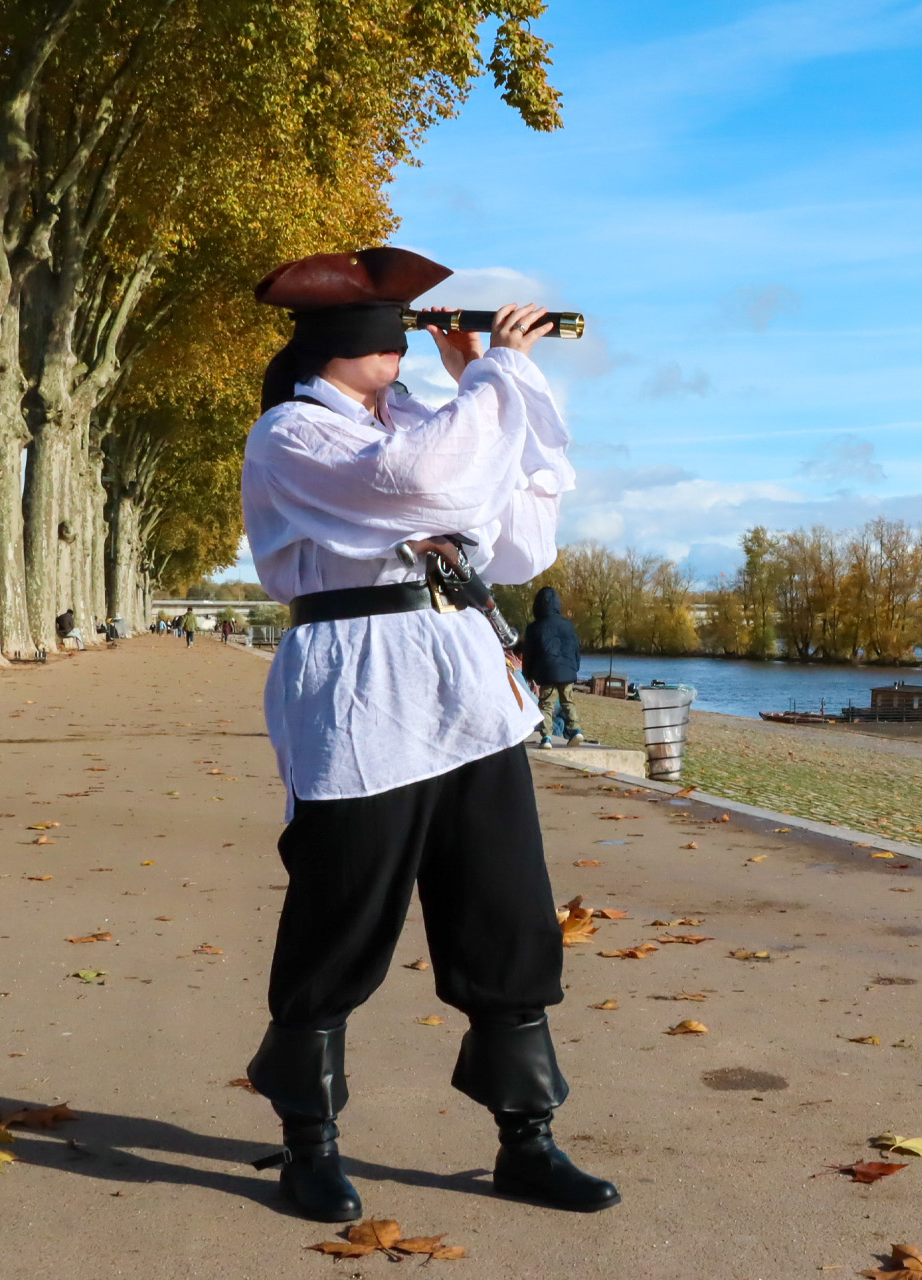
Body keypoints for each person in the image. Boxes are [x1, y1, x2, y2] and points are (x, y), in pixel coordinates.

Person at [239, 247, 611, 1223]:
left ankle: (528, 1138)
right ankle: (308, 1143)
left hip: (466, 686)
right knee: (341, 918)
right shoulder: (291, 433)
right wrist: (494, 375)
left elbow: (522, 541)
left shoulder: (414, 420)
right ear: (340, 345)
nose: (402, 354)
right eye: (389, 340)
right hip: (360, 693)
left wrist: (488, 384)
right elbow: (420, 487)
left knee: (506, 911)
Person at [520, 586, 584, 749]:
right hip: (567, 671)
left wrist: (528, 674)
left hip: (546, 672)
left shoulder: (534, 628)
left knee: (546, 705)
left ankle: (547, 737)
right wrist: (575, 667)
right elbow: (575, 649)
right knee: (568, 701)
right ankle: (575, 730)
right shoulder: (568, 625)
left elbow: (529, 654)